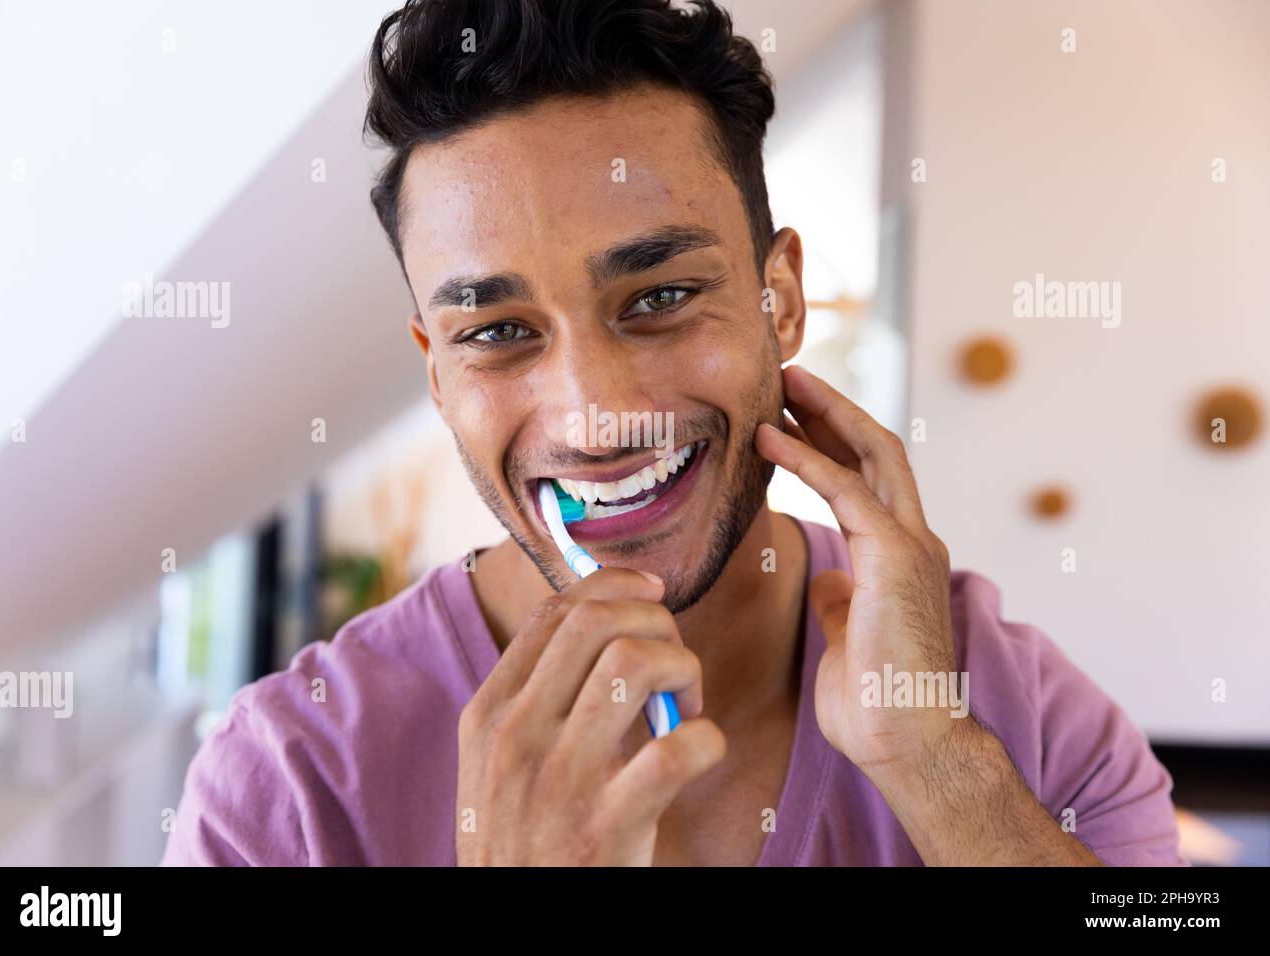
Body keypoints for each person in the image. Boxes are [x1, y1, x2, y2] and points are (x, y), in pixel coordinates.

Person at [162, 0, 1183, 866]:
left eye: (660, 296)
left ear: (779, 298)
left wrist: (937, 767)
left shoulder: (1016, 712)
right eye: (500, 331)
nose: (592, 409)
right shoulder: (284, 787)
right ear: (437, 368)